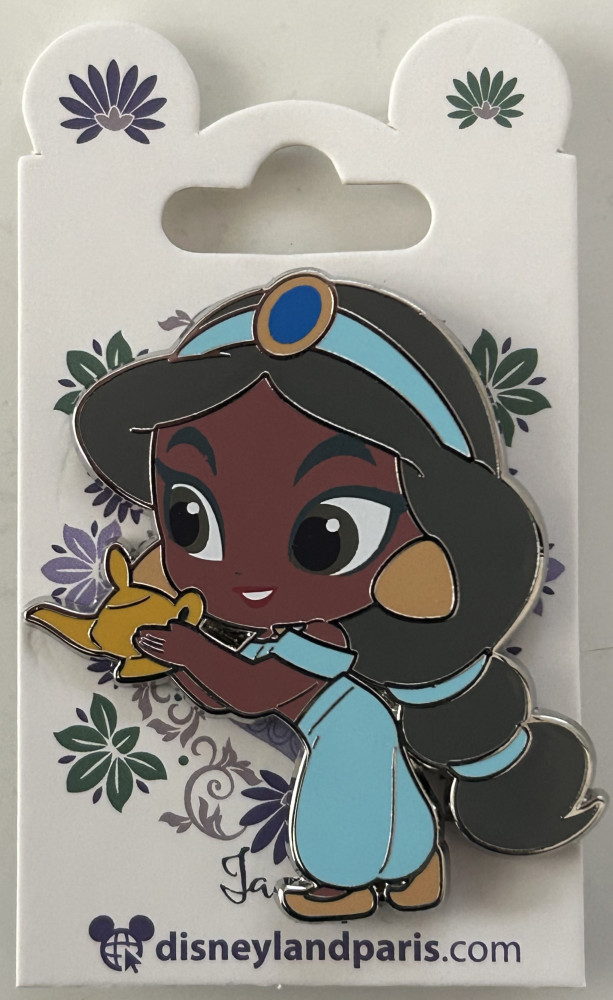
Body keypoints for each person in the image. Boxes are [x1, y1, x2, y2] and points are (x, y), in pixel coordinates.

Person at [30, 271, 606, 920]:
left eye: (325, 536)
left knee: (340, 804)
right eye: (190, 518)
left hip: (340, 727)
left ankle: (344, 884)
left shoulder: (322, 636)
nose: (247, 577)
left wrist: (188, 651)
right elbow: (229, 693)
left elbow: (253, 692)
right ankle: (416, 872)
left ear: (428, 546)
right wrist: (181, 658)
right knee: (390, 793)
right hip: (349, 721)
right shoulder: (288, 631)